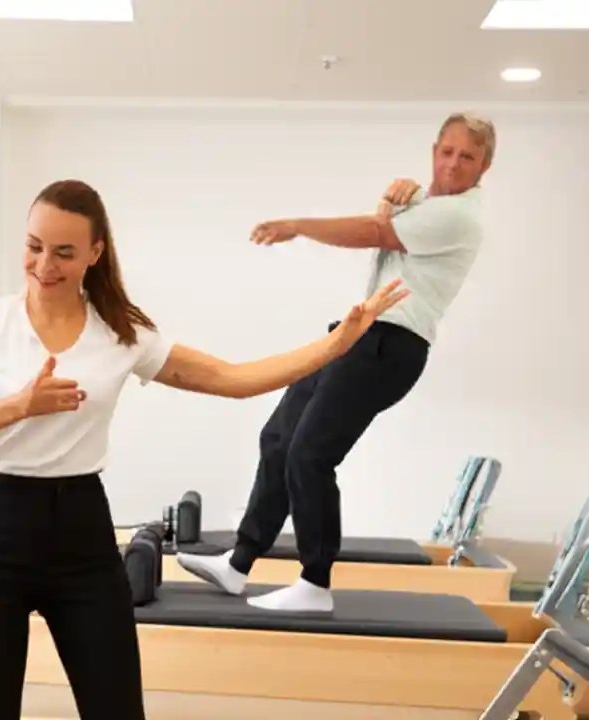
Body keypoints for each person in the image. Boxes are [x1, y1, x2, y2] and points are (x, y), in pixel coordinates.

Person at [0, 179, 409, 719]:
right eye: (34, 246)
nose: (43, 265)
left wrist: (333, 347)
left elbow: (231, 377)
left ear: (95, 254)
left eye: (63, 252)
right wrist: (19, 406)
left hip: (81, 533)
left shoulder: (123, 333)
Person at [176, 111, 495, 614]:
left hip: (390, 343)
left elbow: (374, 232)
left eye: (468, 157)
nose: (454, 163)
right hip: (360, 332)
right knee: (279, 439)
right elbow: (385, 225)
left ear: (484, 167)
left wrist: (298, 226)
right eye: (448, 151)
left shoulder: (459, 215)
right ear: (434, 150)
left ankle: (315, 583)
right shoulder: (428, 205)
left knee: (310, 454)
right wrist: (396, 200)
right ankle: (238, 564)